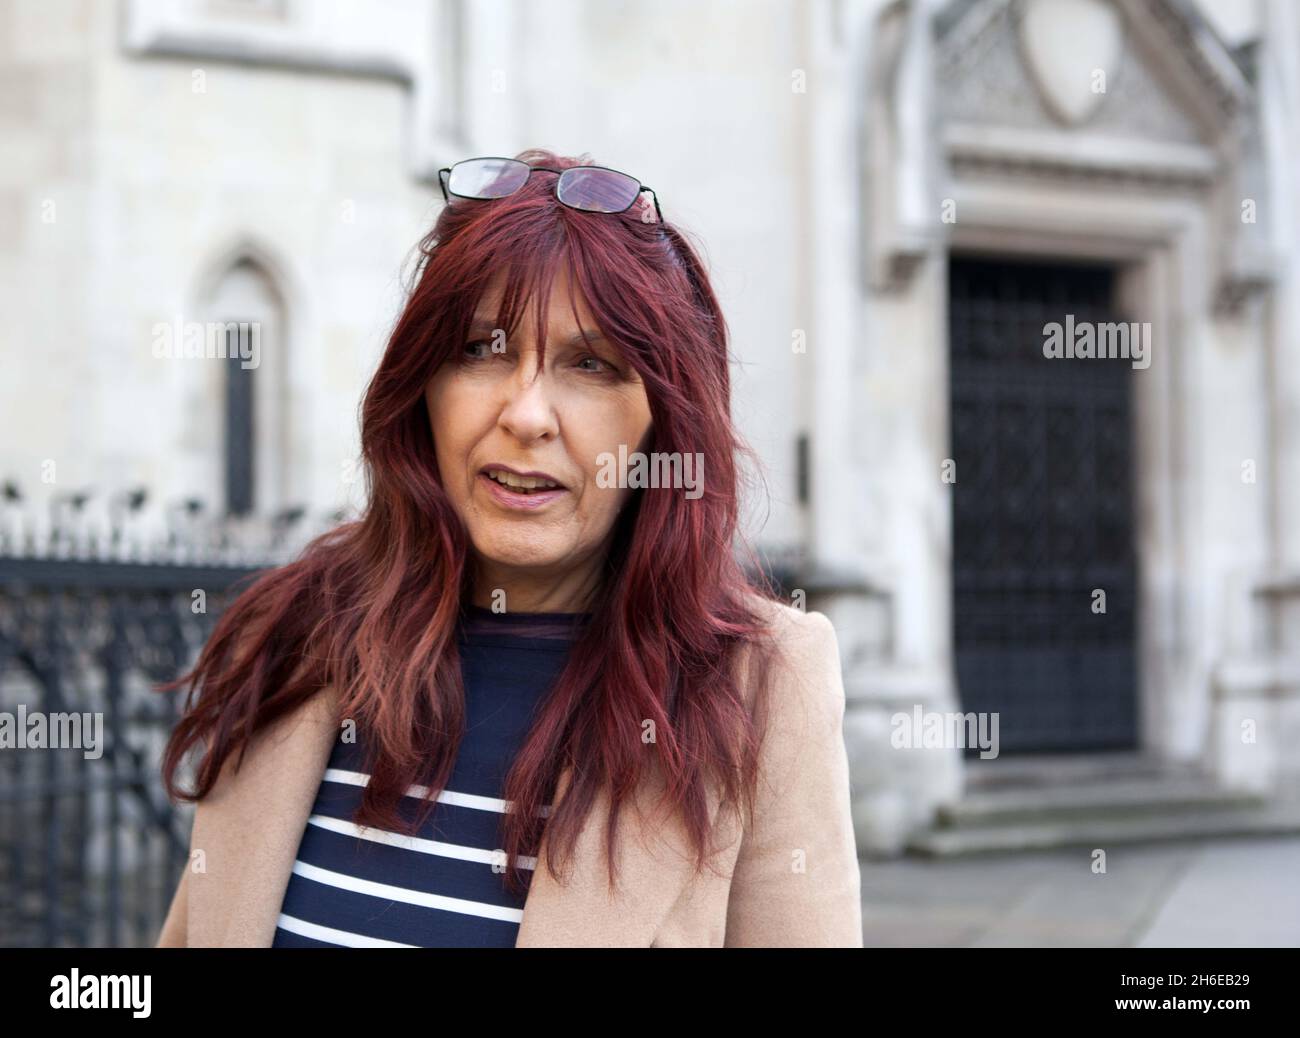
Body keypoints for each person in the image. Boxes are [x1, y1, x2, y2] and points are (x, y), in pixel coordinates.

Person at [154, 148, 862, 947]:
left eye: (590, 364)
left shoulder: (759, 690)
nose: (527, 415)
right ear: (422, 388)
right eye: (483, 349)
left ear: (663, 421)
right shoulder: (294, 633)